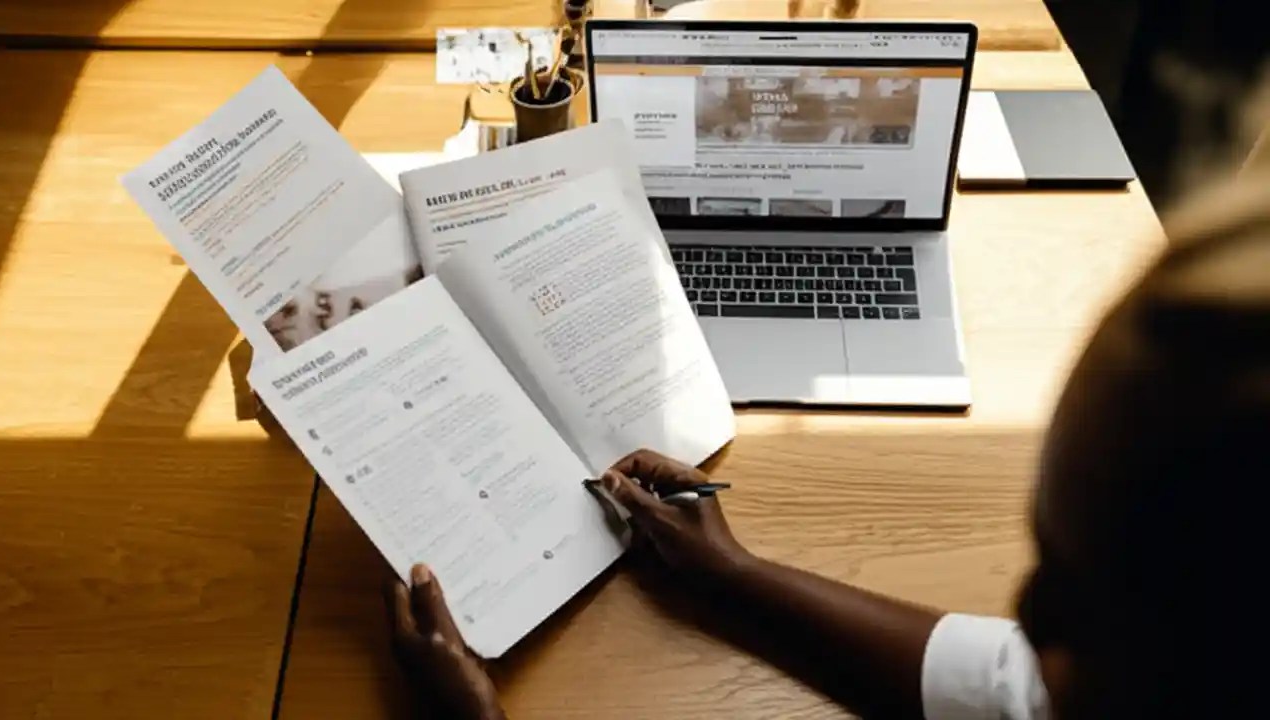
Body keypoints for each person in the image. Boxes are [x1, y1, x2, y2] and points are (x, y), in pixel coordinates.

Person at [385, 172, 1270, 719]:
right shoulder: (1164, 675)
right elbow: (1007, 689)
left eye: (1082, 597)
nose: (1022, 613)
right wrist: (737, 576)